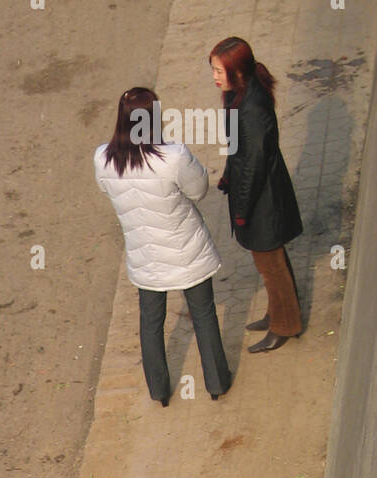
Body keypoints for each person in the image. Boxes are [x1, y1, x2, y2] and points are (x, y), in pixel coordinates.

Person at [94, 88, 232, 406]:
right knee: (204, 314)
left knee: (150, 321)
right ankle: (216, 383)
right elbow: (198, 191)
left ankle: (159, 391)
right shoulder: (173, 156)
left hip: (145, 256)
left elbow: (108, 191)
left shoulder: (103, 158)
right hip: (187, 250)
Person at [210, 37, 303, 353]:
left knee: (271, 265)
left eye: (219, 70)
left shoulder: (251, 107)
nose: (215, 77)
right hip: (257, 196)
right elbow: (238, 150)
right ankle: (278, 312)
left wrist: (241, 210)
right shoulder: (239, 96)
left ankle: (285, 324)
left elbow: (254, 163)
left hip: (264, 201)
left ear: (237, 71)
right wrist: (227, 174)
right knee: (271, 262)